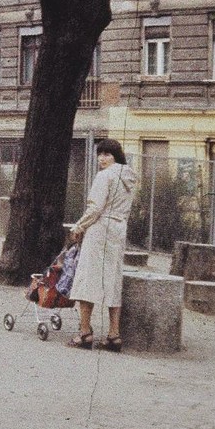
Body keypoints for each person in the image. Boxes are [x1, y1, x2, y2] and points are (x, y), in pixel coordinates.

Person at [67, 139, 138, 352]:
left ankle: (85, 332)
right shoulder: (130, 178)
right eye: (100, 154)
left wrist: (79, 227)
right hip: (118, 229)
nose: (102, 158)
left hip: (100, 229)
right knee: (113, 280)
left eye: (107, 154)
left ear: (116, 156)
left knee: (88, 278)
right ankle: (114, 335)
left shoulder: (104, 176)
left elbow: (95, 208)